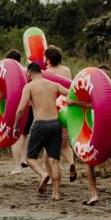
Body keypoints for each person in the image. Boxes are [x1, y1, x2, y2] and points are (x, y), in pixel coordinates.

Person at [18, 62, 65, 200]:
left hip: (40, 124)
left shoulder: (29, 87)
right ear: (41, 72)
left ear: (29, 73)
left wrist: (16, 124)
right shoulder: (53, 85)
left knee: (30, 158)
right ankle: (56, 193)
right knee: (54, 160)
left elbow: (21, 109)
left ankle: (43, 174)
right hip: (55, 123)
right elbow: (71, 94)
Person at [43, 46, 78, 182]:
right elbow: (70, 87)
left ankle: (51, 177)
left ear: (49, 59)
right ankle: (71, 162)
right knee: (64, 145)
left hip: (52, 111)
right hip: (65, 110)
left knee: (48, 148)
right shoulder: (66, 70)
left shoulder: (46, 73)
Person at [4, 49, 29, 174]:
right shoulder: (26, 70)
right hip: (30, 107)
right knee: (24, 135)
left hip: (17, 107)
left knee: (14, 138)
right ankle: (24, 159)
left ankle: (17, 166)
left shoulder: (9, 72)